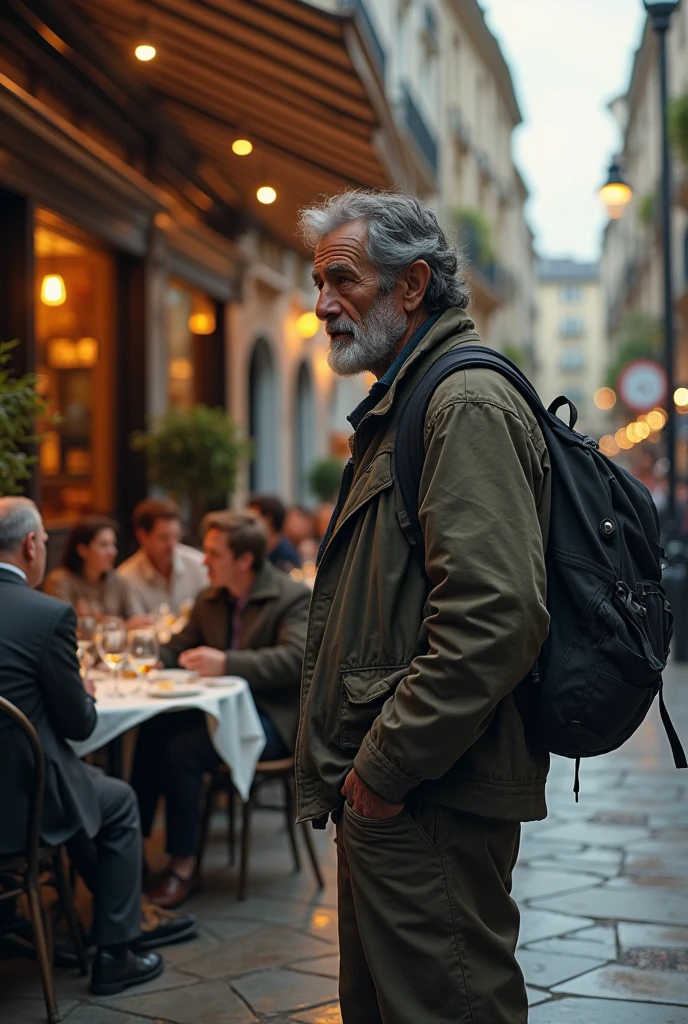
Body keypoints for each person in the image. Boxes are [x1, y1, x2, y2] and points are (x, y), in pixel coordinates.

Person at [295, 191, 551, 1024]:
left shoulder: (459, 401)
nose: (323, 303)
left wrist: (382, 771)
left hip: (427, 796)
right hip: (406, 799)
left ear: (412, 286)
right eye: (316, 281)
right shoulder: (407, 400)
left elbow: (494, 616)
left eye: (342, 279)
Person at [0, 498, 197, 995]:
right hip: (17, 806)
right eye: (44, 540)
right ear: (29, 545)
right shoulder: (47, 615)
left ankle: (12, 920)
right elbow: (81, 726)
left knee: (81, 786)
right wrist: (83, 694)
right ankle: (116, 952)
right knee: (117, 800)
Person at [130, 510, 310, 908]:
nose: (204, 561)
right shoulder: (210, 599)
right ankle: (132, 851)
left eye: (214, 553)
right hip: (218, 714)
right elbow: (179, 648)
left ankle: (182, 868)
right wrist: (145, 654)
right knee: (152, 731)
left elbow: (295, 659)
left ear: (244, 560)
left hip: (270, 722)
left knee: (184, 749)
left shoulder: (290, 597)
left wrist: (227, 663)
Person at [117, 499, 207, 617]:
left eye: (176, 536)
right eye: (164, 538)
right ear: (142, 536)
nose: (172, 545)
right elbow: (138, 625)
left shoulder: (199, 564)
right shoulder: (126, 577)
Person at [44, 515, 136, 620]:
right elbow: (62, 625)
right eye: (104, 545)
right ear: (82, 550)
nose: (113, 552)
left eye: (113, 545)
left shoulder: (116, 579)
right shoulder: (60, 581)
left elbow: (132, 619)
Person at [247, 494, 302, 573]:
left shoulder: (286, 556)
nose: (246, 525)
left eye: (251, 519)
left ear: (268, 519)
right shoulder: (252, 550)